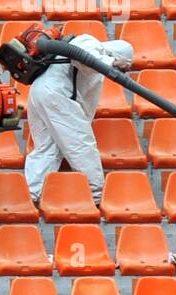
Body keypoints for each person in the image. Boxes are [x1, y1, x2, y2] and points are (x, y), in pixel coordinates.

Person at [23, 33, 135, 207]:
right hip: (56, 95)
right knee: (82, 145)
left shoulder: (96, 71)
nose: (121, 71)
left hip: (41, 93)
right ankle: (96, 196)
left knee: (48, 147)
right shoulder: (90, 42)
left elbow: (86, 101)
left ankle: (31, 195)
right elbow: (81, 55)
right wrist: (111, 63)